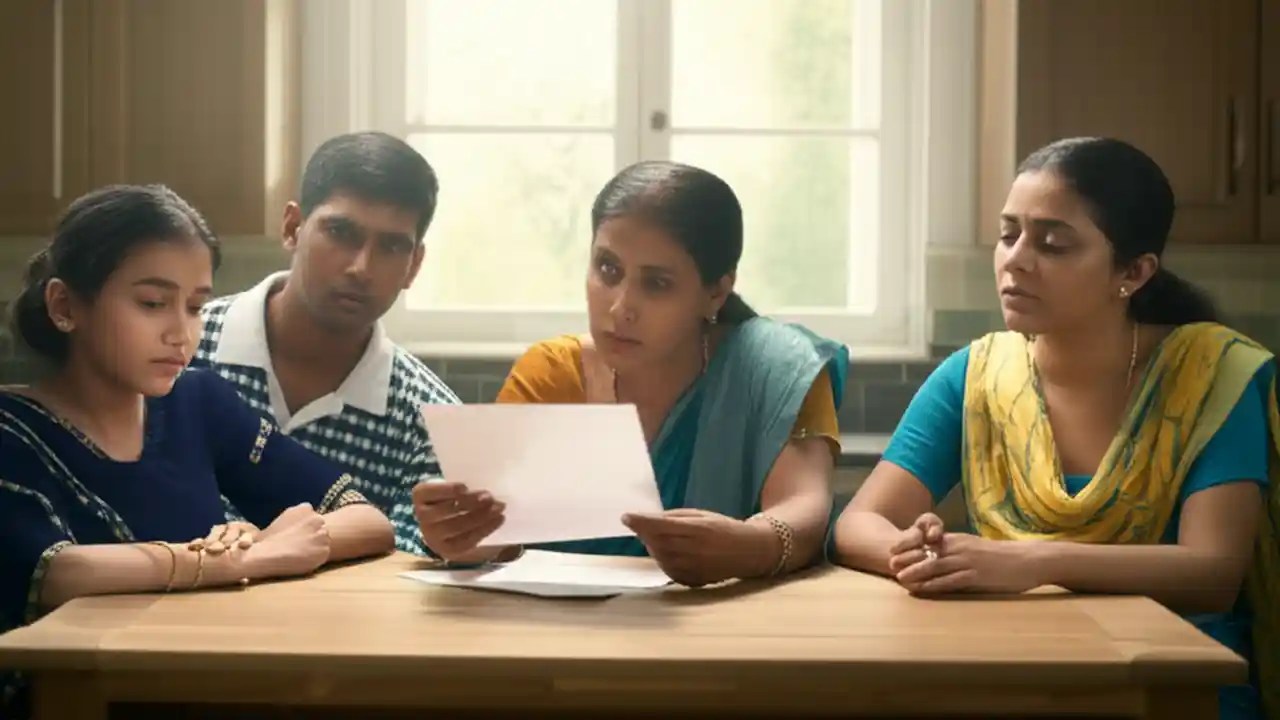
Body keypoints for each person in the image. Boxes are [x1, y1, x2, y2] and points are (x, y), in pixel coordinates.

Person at [831, 137, 1279, 720]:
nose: (1015, 259)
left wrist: (1032, 561)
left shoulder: (1211, 375)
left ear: (1134, 272)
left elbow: (1213, 572)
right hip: (1021, 665)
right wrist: (923, 553)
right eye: (1007, 233)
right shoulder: (976, 376)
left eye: (1053, 243)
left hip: (1176, 683)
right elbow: (857, 524)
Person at [0, 185, 396, 718]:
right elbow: (57, 572)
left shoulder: (197, 401)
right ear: (65, 305)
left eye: (195, 307)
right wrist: (244, 559)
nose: (180, 334)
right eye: (152, 304)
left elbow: (367, 520)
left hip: (199, 687)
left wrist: (272, 538)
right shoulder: (12, 429)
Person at [408, 161, 848, 588]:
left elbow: (805, 507)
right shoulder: (553, 374)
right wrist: (458, 537)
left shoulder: (777, 369)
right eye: (608, 269)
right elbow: (496, 540)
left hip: (727, 638)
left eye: (656, 284)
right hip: (557, 642)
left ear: (716, 290)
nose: (620, 308)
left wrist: (750, 547)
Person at [191, 132, 459, 553]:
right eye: (341, 232)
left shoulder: (434, 422)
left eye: (391, 246)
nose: (360, 267)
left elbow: (412, 577)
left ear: (415, 265)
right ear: (293, 228)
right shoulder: (181, 352)